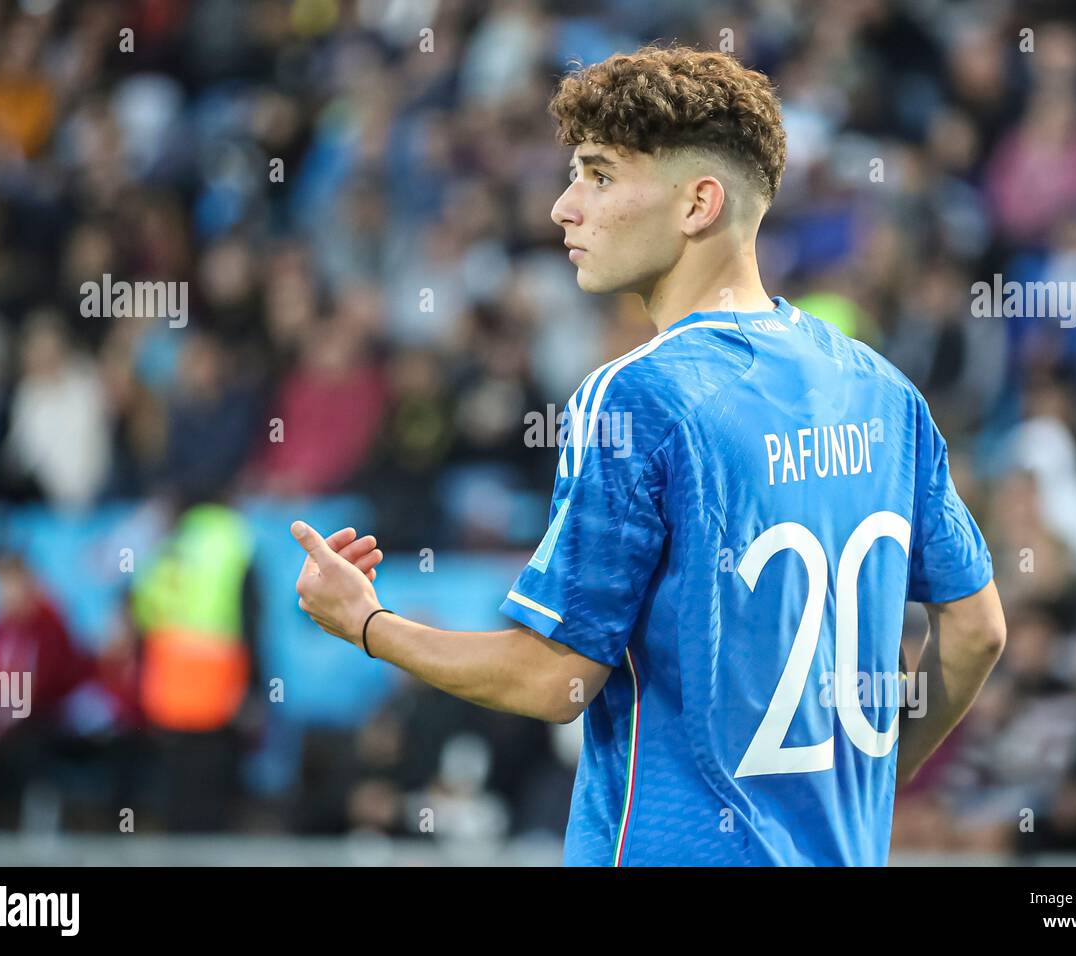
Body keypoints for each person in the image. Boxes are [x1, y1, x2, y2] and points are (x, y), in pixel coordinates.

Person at [292, 45, 1006, 866]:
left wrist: (369, 624)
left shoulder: (636, 396)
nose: (564, 207)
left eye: (599, 176)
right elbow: (977, 630)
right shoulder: (881, 389)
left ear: (699, 203)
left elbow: (552, 680)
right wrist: (869, 787)